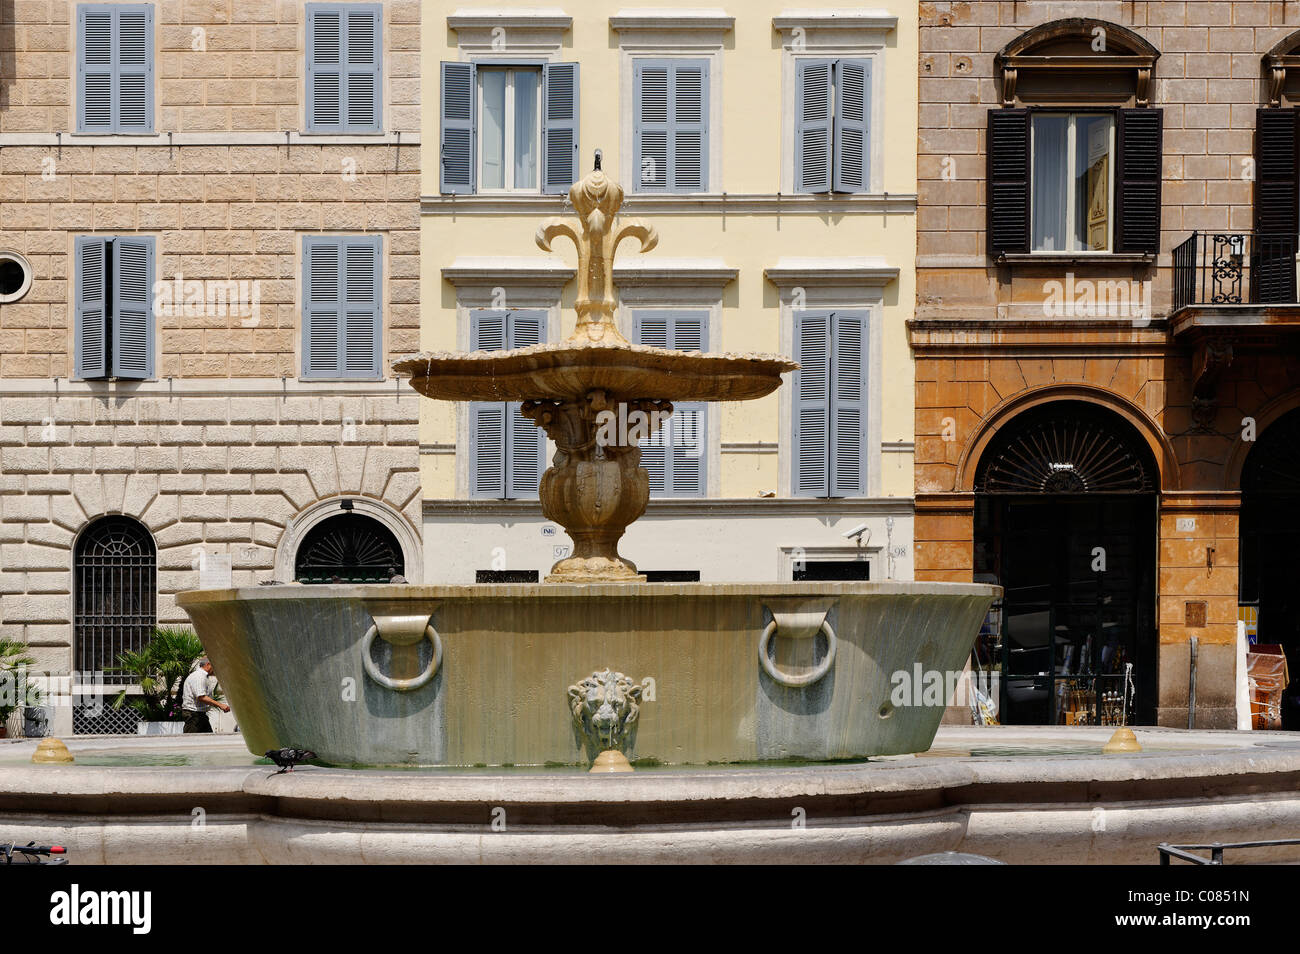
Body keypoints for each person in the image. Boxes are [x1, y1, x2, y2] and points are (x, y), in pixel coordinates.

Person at [181, 658, 230, 733]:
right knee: (191, 741)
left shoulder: (202, 676)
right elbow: (201, 697)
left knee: (208, 740)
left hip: (199, 715)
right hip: (194, 716)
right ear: (208, 665)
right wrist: (220, 705)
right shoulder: (199, 676)